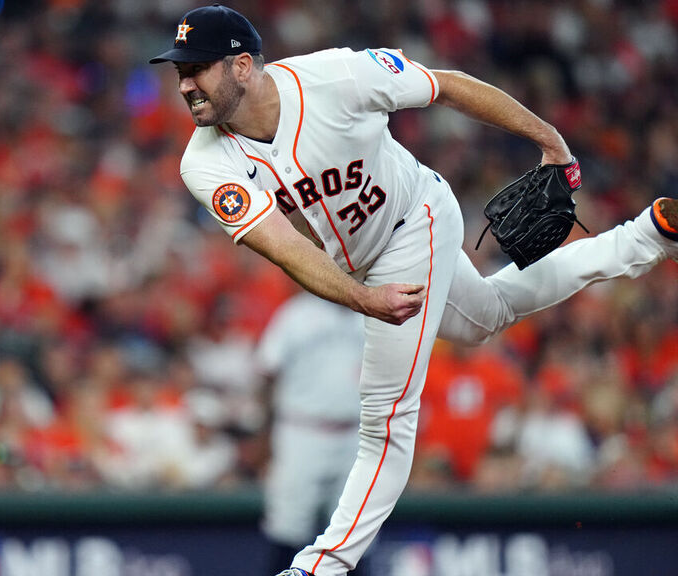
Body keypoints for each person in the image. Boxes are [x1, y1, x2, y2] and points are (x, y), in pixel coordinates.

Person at [149, 5, 678, 575]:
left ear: (244, 66)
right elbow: (280, 244)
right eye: (180, 70)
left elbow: (445, 86)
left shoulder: (336, 76)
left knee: (385, 417)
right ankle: (645, 238)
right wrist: (362, 297)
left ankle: (320, 566)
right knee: (488, 315)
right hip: (365, 263)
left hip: (414, 217)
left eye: (197, 68)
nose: (184, 84)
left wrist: (548, 139)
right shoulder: (202, 161)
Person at [256, 291, 365, 574]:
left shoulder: (370, 310)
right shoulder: (296, 314)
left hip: (356, 433)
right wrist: (265, 434)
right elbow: (267, 371)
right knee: (288, 525)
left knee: (356, 532)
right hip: (301, 430)